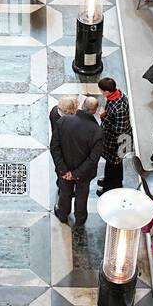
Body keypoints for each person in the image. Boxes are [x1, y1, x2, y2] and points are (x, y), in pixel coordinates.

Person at [51, 96, 104, 226]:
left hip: (65, 170)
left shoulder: (63, 121)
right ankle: (80, 218)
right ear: (94, 111)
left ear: (82, 106)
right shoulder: (97, 131)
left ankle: (63, 214)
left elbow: (55, 148)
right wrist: (76, 174)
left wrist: (64, 170)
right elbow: (93, 159)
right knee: (82, 195)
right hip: (84, 174)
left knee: (65, 192)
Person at [97, 77, 131, 194]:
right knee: (113, 164)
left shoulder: (119, 107)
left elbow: (119, 129)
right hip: (118, 139)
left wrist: (103, 117)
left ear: (107, 91)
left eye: (101, 91)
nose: (101, 93)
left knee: (113, 165)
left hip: (118, 141)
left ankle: (110, 187)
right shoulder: (117, 95)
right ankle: (110, 181)